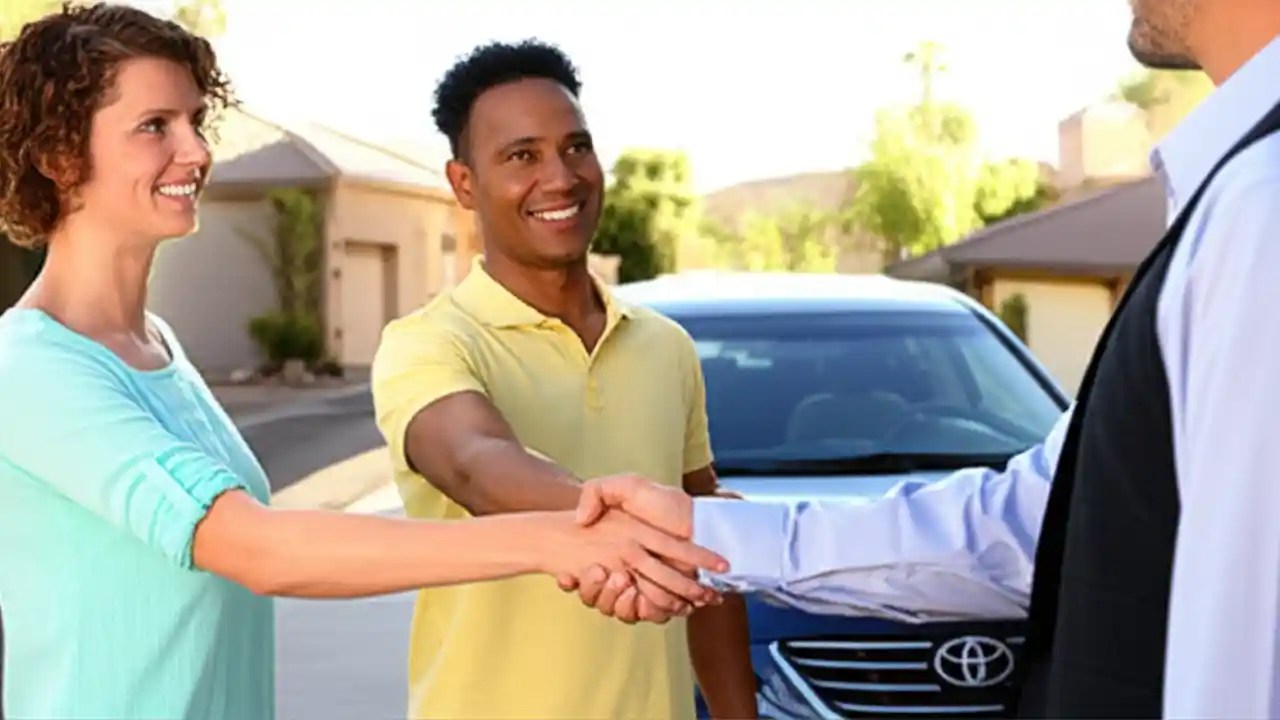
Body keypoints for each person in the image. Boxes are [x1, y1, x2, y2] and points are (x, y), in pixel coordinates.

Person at [0, 6, 727, 720]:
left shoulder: (157, 349)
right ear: (60, 157)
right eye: (155, 126)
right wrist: (559, 538)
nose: (195, 151)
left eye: (195, 120)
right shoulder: (31, 368)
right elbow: (257, 548)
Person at [566, 0, 1280, 717]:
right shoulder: (1239, 195)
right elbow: (1025, 529)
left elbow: (1242, 643)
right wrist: (701, 530)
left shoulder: (1260, 208)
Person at [369, 40, 757, 720]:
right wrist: (633, 532)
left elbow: (709, 554)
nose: (561, 176)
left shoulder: (666, 348)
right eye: (522, 156)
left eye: (575, 147)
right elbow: (475, 464)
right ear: (464, 183)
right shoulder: (428, 344)